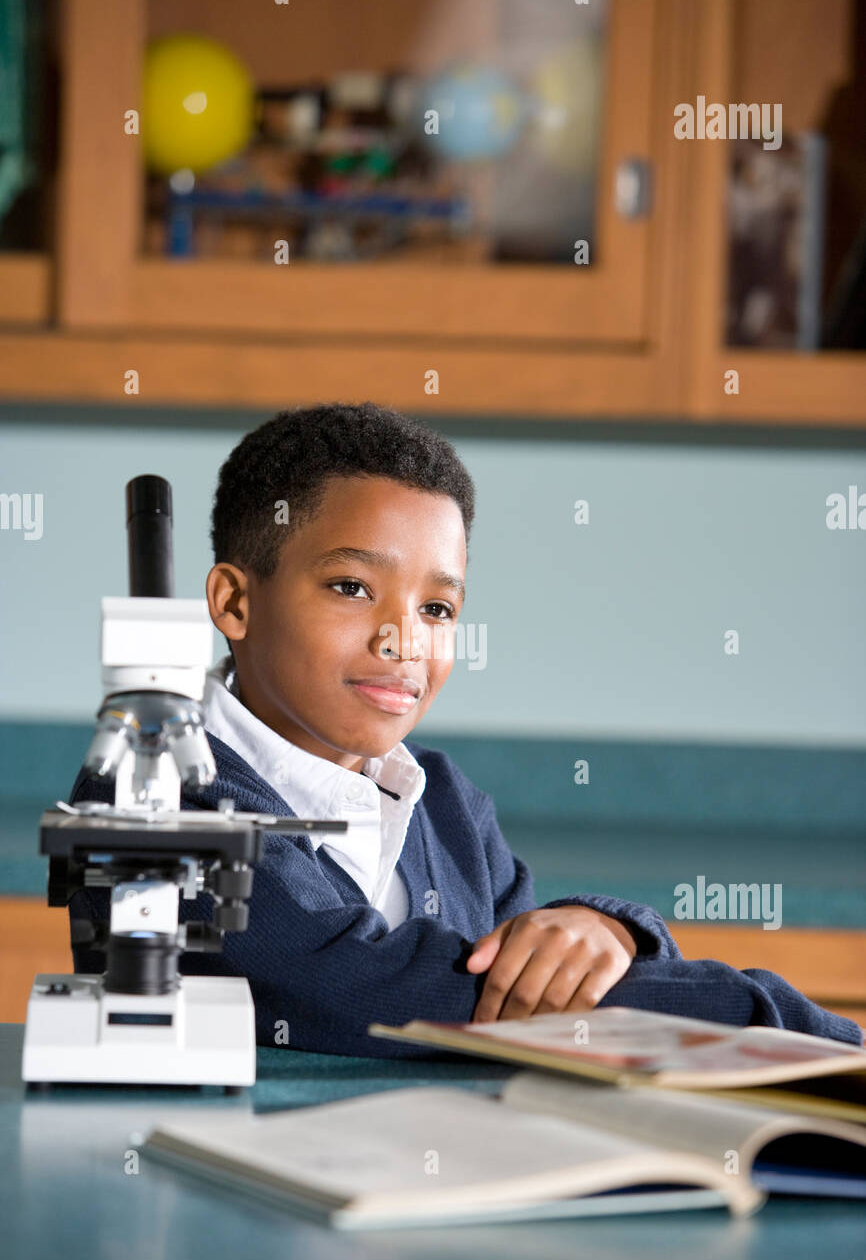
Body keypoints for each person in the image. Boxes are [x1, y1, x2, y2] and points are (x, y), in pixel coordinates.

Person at [67, 403, 863, 1056]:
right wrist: (780, 1021)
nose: (403, 640)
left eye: (437, 609)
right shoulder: (157, 794)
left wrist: (605, 929)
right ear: (235, 604)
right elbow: (372, 991)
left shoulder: (446, 805)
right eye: (351, 586)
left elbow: (536, 978)